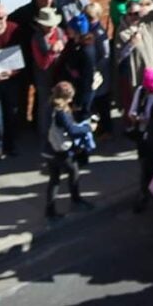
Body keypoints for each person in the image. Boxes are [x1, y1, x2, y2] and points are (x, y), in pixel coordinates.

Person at [41, 83, 94, 220]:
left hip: (48, 149)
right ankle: (76, 201)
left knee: (54, 179)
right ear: (65, 97)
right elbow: (72, 130)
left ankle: (50, 210)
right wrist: (89, 128)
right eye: (70, 97)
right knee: (74, 172)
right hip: (61, 151)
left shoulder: (49, 106)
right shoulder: (60, 111)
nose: (71, 100)